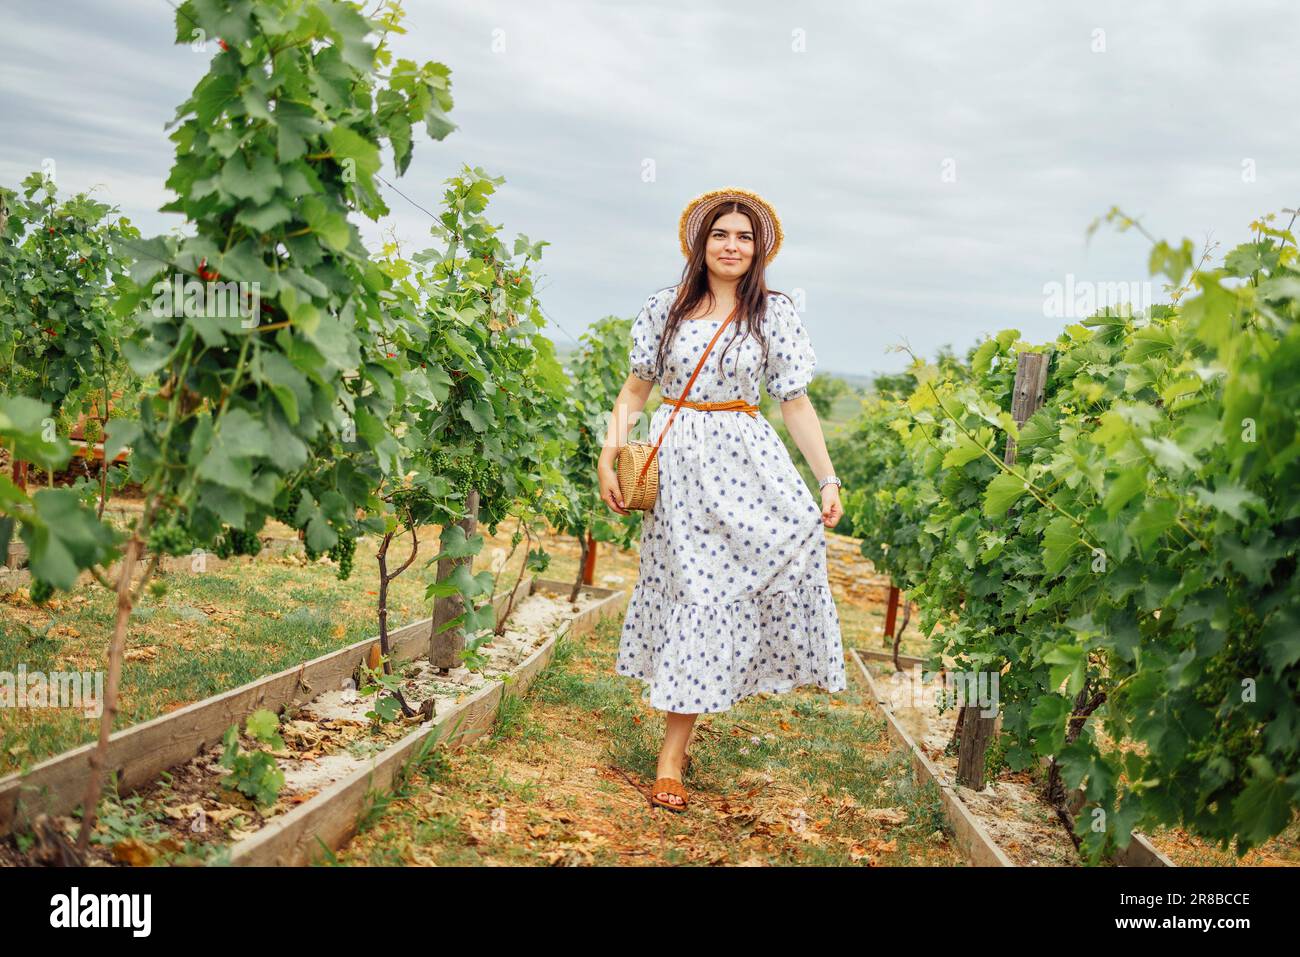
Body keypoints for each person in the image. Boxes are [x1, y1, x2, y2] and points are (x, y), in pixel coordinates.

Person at [596, 186, 847, 813]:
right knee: (699, 593)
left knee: (783, 552)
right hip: (678, 459)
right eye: (720, 235)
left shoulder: (774, 313)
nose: (731, 246)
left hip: (748, 460)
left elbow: (794, 402)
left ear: (758, 248)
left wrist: (827, 478)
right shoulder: (668, 308)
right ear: (700, 243)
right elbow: (633, 395)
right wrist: (611, 451)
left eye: (743, 236)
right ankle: (671, 761)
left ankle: (723, 682)